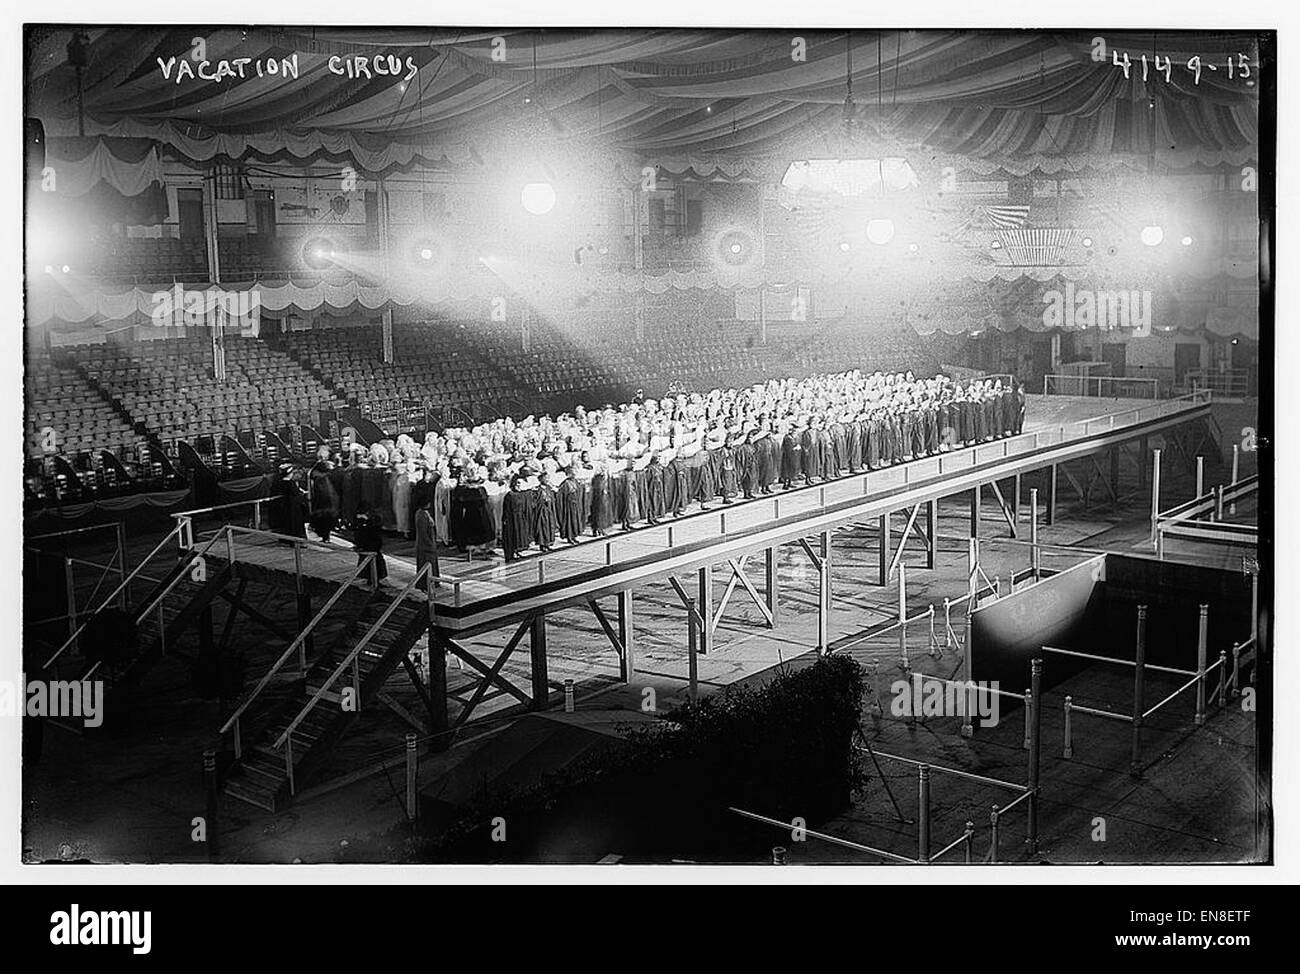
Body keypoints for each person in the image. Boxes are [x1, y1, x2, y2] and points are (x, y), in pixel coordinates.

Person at [353, 507, 388, 583]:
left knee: (372, 565)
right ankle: (373, 581)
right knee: (373, 566)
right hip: (370, 548)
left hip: (370, 547)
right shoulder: (368, 526)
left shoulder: (364, 525)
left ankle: (373, 580)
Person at [414, 497, 439, 584]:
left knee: (431, 563)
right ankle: (426, 583)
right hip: (425, 545)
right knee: (427, 563)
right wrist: (429, 544)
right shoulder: (421, 515)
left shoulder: (424, 513)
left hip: (428, 541)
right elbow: (423, 532)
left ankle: (432, 582)